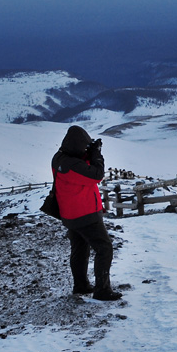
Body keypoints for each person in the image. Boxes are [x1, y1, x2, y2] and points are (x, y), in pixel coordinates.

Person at [52, 125, 122, 301]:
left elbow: (82, 169)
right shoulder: (72, 165)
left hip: (70, 214)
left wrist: (88, 154)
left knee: (80, 249)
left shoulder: (60, 158)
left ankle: (81, 285)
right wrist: (97, 154)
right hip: (85, 213)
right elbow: (96, 175)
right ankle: (102, 290)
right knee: (104, 248)